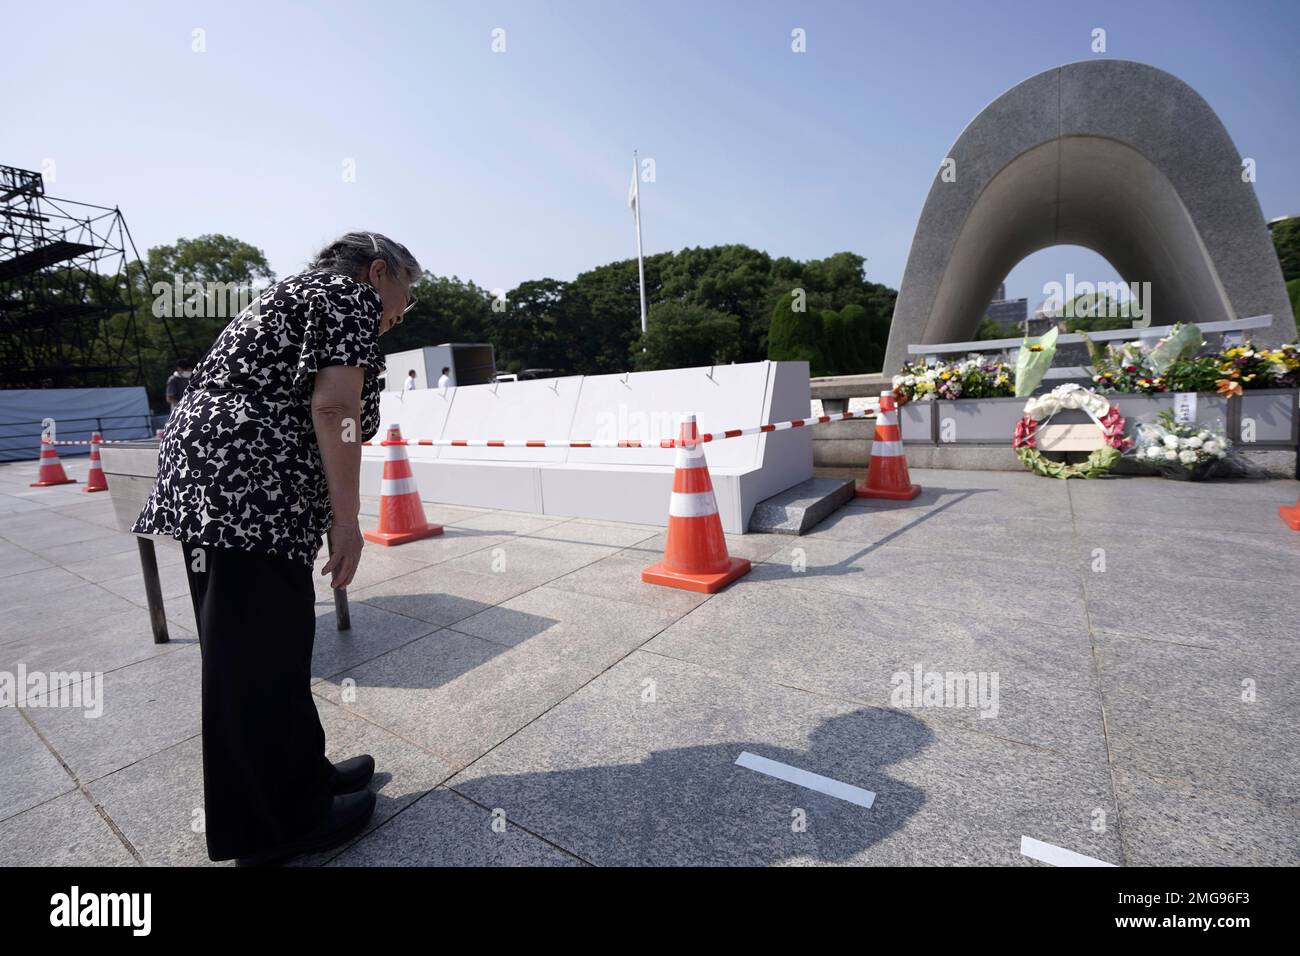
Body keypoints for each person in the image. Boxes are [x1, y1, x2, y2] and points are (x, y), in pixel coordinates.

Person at [132, 231, 421, 866]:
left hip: (222, 481)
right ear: (380, 272)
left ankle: (301, 777)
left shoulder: (300, 294)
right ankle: (277, 824)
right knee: (259, 651)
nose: (405, 308)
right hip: (248, 488)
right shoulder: (349, 297)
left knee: (268, 643)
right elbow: (336, 407)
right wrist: (346, 521)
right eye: (407, 291)